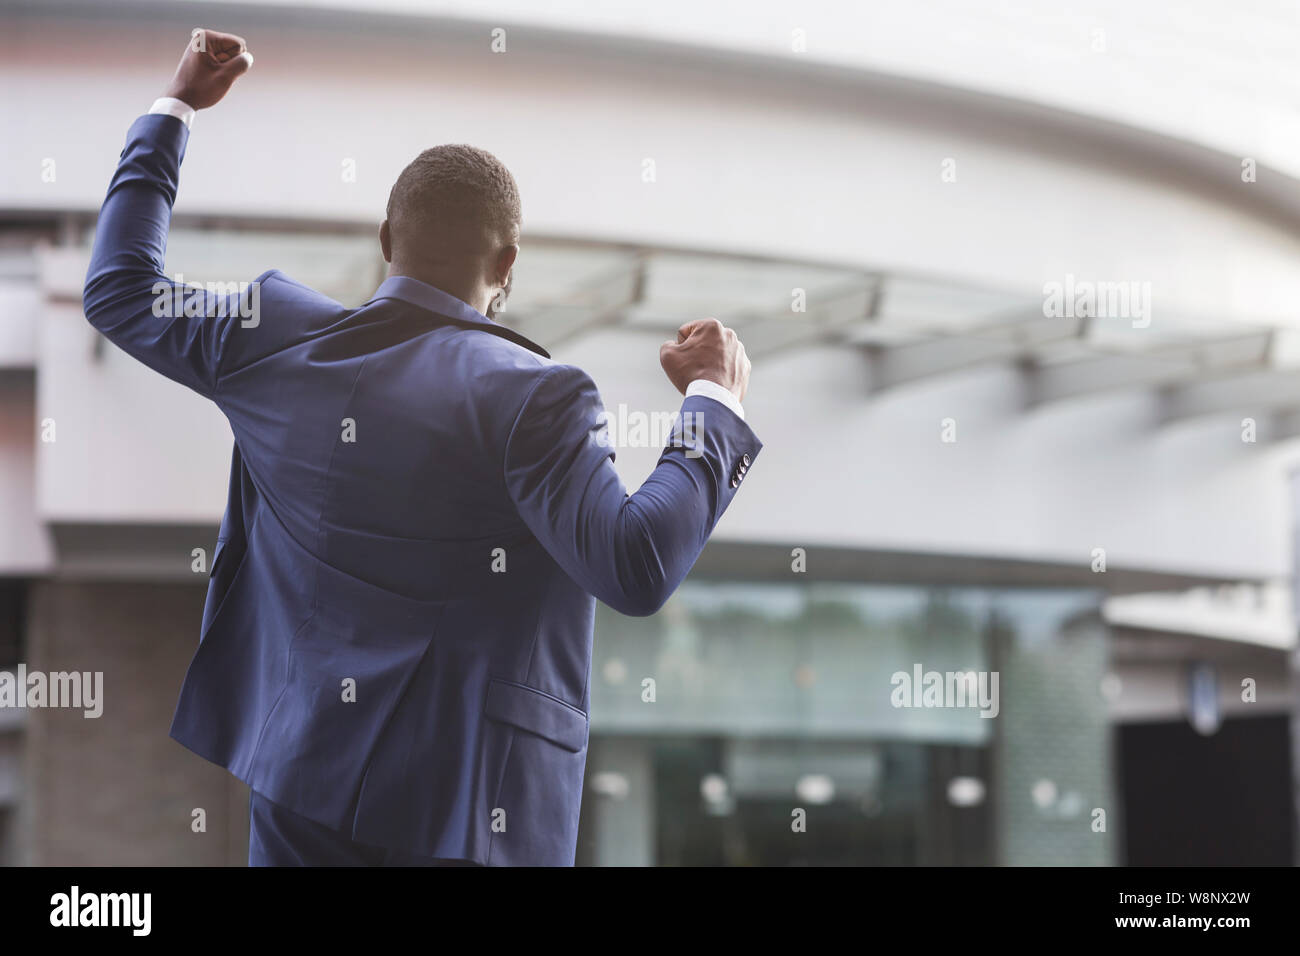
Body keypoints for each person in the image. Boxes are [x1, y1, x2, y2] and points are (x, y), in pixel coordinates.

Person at [83, 28, 760, 866]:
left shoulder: (271, 338)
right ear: (505, 264)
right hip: (468, 810)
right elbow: (636, 563)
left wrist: (176, 107)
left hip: (299, 782)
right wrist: (712, 398)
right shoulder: (533, 395)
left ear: (384, 240)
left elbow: (119, 289)